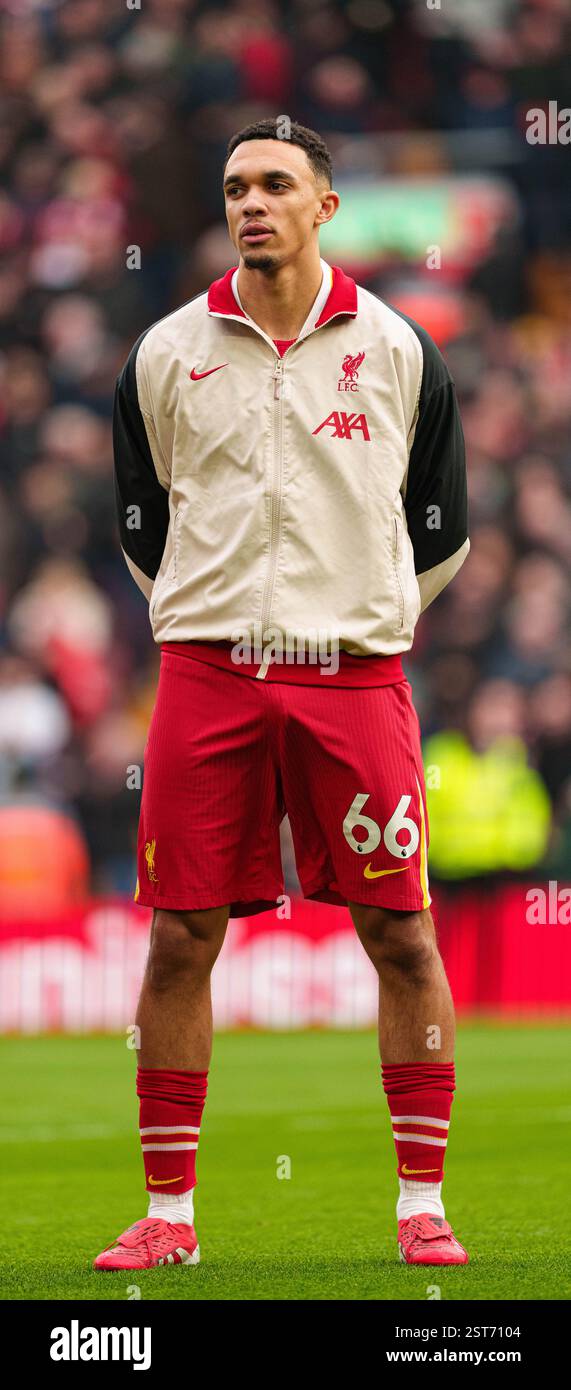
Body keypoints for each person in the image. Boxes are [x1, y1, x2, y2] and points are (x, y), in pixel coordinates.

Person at [95, 118, 470, 1272]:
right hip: (207, 674)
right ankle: (169, 1218)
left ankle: (422, 1205)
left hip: (353, 673)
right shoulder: (165, 351)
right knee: (180, 934)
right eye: (234, 188)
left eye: (273, 185)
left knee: (399, 930)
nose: (250, 203)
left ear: (324, 207)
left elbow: (441, 527)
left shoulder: (399, 348)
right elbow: (141, 522)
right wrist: (210, 616)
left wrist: (360, 614)